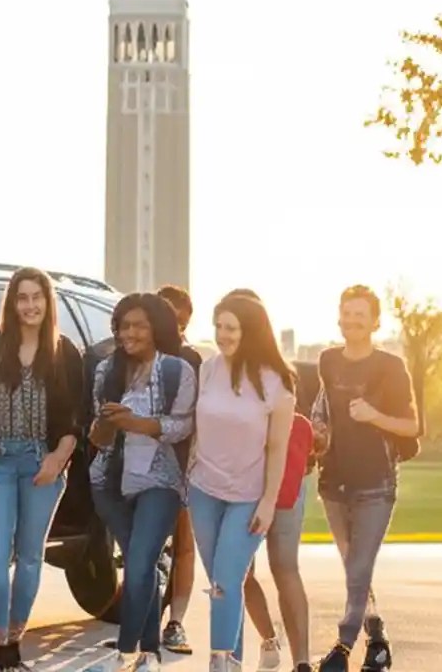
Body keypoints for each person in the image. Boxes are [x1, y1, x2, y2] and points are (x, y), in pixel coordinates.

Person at [0, 267, 85, 672]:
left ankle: (13, 646)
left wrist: (57, 459)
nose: (30, 305)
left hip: (42, 464)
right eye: (22, 298)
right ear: (11, 303)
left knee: (30, 558)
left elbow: (76, 420)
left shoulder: (65, 351)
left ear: (48, 303)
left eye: (37, 297)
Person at [88, 292, 197, 672]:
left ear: (156, 329)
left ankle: (123, 652)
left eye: (138, 325)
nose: (129, 333)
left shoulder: (176, 371)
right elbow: (96, 437)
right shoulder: (105, 371)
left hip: (160, 480)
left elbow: (183, 426)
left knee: (138, 564)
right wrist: (106, 424)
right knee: (141, 565)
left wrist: (137, 424)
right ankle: (149, 654)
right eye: (123, 325)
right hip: (109, 482)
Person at [312, 285, 419, 672]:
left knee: (359, 569)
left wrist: (374, 416)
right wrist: (320, 431)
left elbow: (411, 425)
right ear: (339, 316)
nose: (352, 320)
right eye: (347, 312)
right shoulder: (327, 360)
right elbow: (323, 408)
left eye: (361, 314)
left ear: (375, 321)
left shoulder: (391, 366)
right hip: (333, 481)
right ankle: (377, 638)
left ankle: (342, 647)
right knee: (355, 569)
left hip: (376, 482)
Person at [189, 293, 295, 672]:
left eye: (230, 328)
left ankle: (219, 664)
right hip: (203, 492)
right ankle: (232, 661)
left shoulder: (277, 384)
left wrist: (267, 502)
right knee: (222, 584)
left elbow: (278, 448)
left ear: (249, 331)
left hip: (247, 498)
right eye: (218, 326)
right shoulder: (207, 369)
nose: (222, 335)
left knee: (225, 582)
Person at [219, 289, 314, 672]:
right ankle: (272, 642)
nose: (227, 333)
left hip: (281, 485)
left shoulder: (282, 375)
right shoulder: (219, 372)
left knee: (283, 567)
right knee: (243, 572)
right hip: (242, 484)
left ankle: (302, 660)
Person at [155, 284, 204, 656]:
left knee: (184, 545)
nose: (176, 326)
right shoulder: (132, 353)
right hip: (140, 466)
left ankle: (176, 623)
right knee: (146, 547)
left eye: (182, 321)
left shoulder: (192, 360)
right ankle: (144, 623)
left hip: (184, 462)